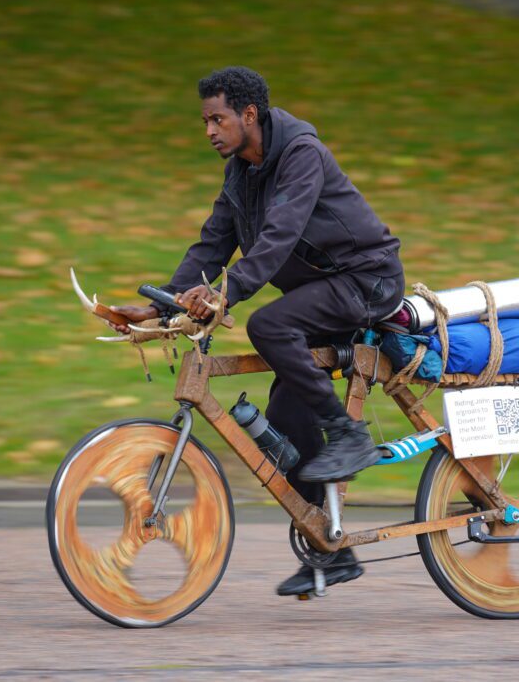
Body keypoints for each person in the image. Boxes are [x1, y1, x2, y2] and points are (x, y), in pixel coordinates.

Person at [110, 66, 405, 596]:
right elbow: (212, 244)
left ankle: (350, 435)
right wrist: (156, 307)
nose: (208, 130)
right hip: (321, 295)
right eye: (204, 121)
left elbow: (278, 235)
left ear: (250, 114)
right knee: (287, 426)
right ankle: (330, 553)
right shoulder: (240, 173)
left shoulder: (300, 154)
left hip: (366, 281)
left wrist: (228, 293)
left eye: (216, 118)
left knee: (268, 323)